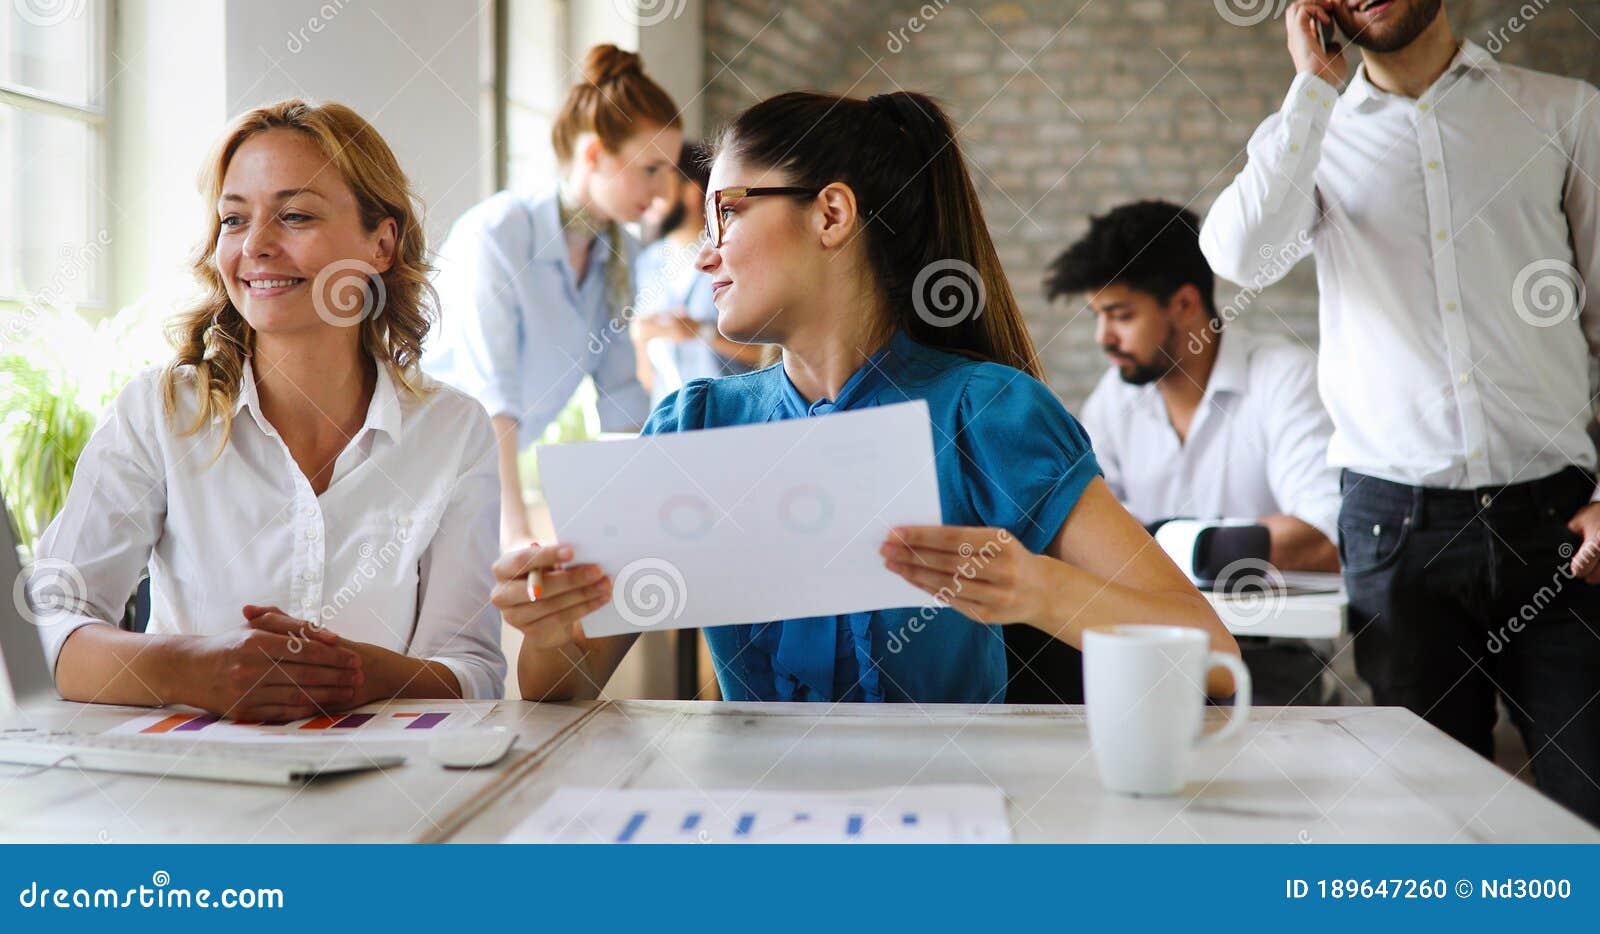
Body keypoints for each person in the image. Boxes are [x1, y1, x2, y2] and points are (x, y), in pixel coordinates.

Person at [491, 90, 1241, 705]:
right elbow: (558, 687)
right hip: (752, 825)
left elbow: (1212, 659)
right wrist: (552, 628)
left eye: (729, 211)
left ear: (831, 215)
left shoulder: (987, 413)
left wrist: (1037, 589)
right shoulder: (692, 426)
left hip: (951, 823)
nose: (706, 250)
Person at [1199, 0, 1600, 823]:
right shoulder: (1313, 133)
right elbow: (1236, 256)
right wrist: (1312, 88)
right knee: (1428, 823)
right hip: (1397, 533)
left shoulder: (1565, 111)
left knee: (1587, 803)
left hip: (1559, 528)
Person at [30, 100, 505, 721]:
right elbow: (49, 623)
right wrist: (193, 667)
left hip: (386, 799)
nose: (256, 245)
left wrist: (353, 673)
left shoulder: (453, 430)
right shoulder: (160, 411)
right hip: (189, 797)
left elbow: (473, 673)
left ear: (381, 243)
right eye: (233, 219)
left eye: (296, 215)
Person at [1011, 199, 1342, 706]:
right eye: (1099, 317)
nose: (1104, 338)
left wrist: (1156, 541)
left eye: (1121, 315)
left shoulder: (1283, 378)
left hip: (1269, 653)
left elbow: (1322, 538)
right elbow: (1082, 539)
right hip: (1148, 648)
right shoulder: (1115, 396)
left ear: (1186, 305)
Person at [425, 44, 683, 545]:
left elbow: (622, 396)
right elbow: (490, 399)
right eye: (651, 169)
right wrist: (517, 533)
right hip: (423, 467)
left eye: (670, 171)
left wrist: (643, 522)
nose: (663, 192)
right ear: (594, 154)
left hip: (483, 476)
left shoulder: (619, 252)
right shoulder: (498, 234)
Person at [630, 141, 768, 404]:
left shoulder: (730, 255)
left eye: (662, 185)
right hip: (673, 426)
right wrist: (640, 339)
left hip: (734, 420)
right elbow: (647, 376)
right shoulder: (647, 264)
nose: (650, 197)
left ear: (691, 193)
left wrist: (701, 333)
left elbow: (772, 354)